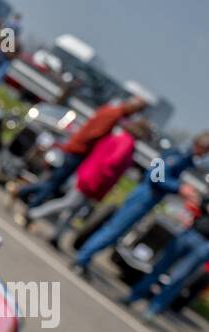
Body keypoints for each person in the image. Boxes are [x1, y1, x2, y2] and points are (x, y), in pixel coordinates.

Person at [73, 132, 209, 277]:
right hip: (146, 194)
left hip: (149, 195)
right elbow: (155, 176)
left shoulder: (184, 157)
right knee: (114, 229)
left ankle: (84, 258)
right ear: (200, 146)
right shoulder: (178, 155)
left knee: (116, 230)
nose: (205, 155)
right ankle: (82, 259)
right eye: (206, 151)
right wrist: (179, 188)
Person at [24, 117, 150, 247]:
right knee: (69, 203)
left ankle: (57, 235)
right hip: (94, 180)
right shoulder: (127, 143)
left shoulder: (119, 136)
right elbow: (113, 163)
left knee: (73, 210)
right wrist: (103, 182)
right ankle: (33, 213)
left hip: (88, 173)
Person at [16, 96, 146, 208]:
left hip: (76, 147)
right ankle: (27, 200)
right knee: (54, 183)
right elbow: (96, 134)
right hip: (79, 151)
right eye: (137, 110)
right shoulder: (114, 116)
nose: (134, 114)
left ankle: (26, 197)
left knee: (55, 181)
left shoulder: (110, 110)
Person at [122, 193, 209, 321]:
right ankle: (134, 296)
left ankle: (153, 309)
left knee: (178, 277)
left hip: (205, 245)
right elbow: (202, 203)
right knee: (159, 267)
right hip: (191, 232)